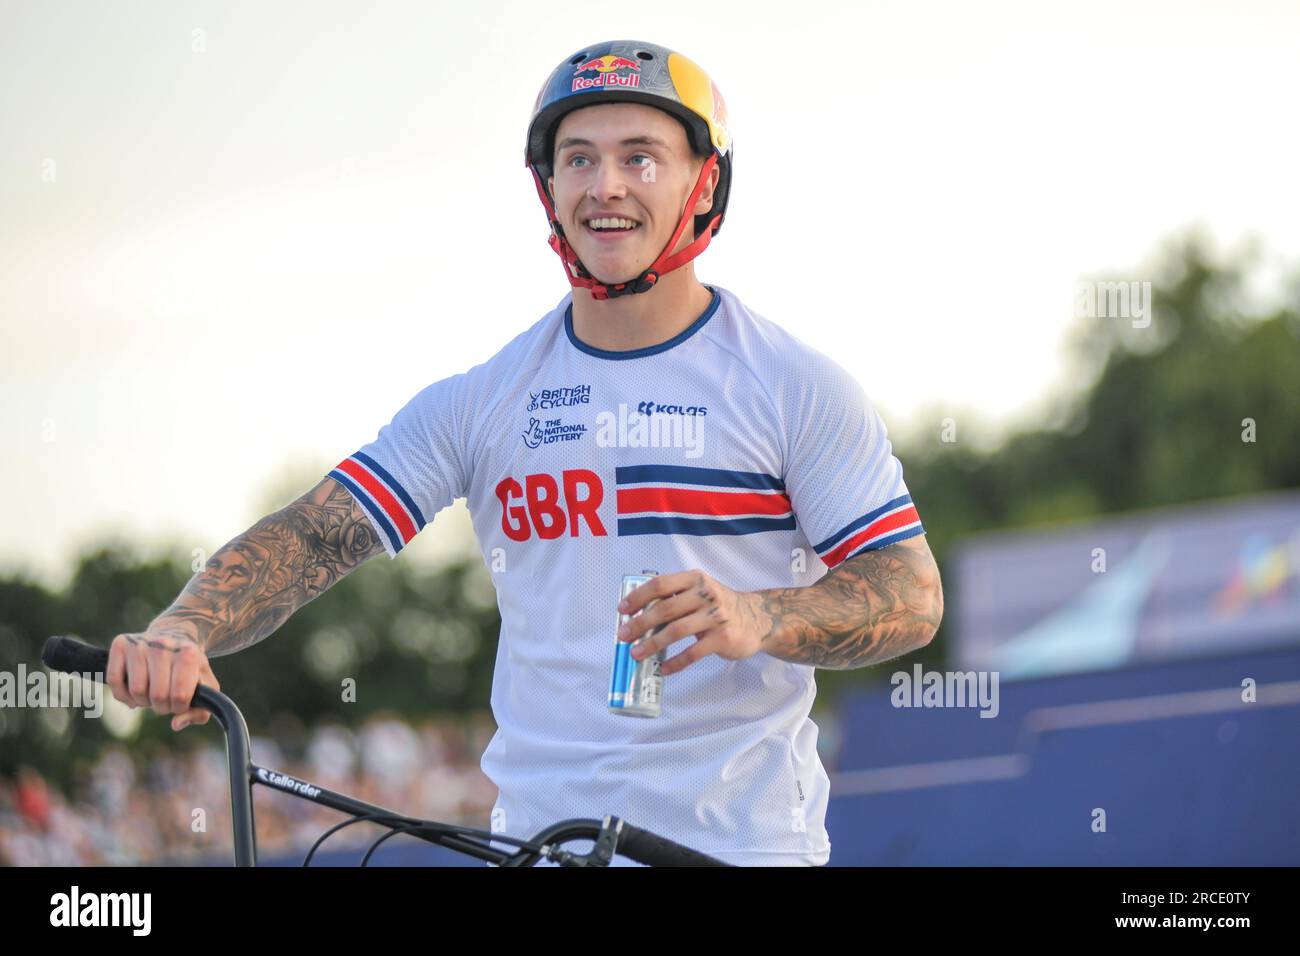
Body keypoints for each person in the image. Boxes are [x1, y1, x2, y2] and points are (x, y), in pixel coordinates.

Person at [106, 38, 944, 867]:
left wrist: (763, 614)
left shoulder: (793, 385)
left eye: (641, 158)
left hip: (739, 850)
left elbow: (910, 593)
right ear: (549, 187)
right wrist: (184, 627)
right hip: (541, 848)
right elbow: (318, 534)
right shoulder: (486, 398)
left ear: (704, 182)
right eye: (578, 159)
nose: (605, 185)